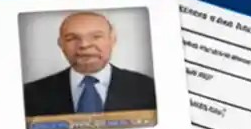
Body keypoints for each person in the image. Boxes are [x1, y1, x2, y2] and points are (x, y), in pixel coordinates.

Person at [23, 11, 156, 117]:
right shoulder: (29, 95)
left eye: (96, 37)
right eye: (72, 38)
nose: (84, 45)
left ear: (113, 40)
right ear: (61, 44)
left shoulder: (148, 88)